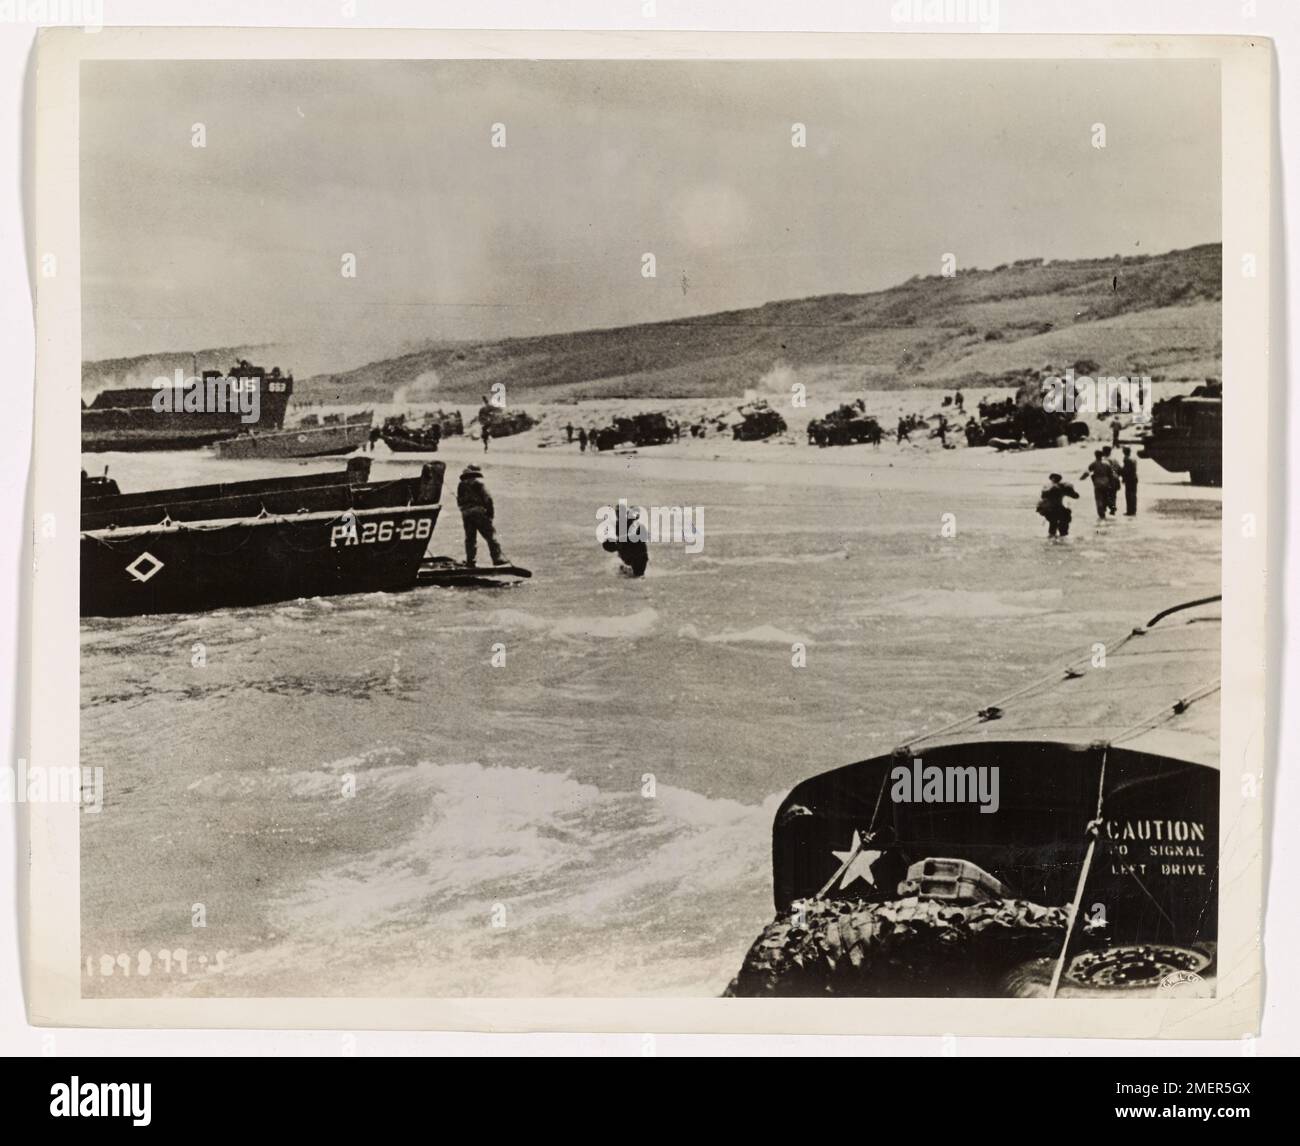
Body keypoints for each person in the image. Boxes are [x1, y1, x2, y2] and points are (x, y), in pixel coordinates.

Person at [456, 465, 507, 566]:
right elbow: (488, 499)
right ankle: (497, 559)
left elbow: (459, 501)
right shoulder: (479, 484)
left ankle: (470, 561)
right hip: (479, 512)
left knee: (470, 538)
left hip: (466, 513)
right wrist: (490, 513)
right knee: (490, 535)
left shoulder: (461, 485)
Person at [1037, 473, 1080, 537]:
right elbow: (1075, 496)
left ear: (1051, 479)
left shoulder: (1047, 486)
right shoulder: (1063, 487)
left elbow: (1043, 496)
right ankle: (1061, 536)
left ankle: (1053, 537)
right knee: (1063, 523)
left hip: (1048, 509)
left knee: (1053, 524)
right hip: (1054, 508)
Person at [1082, 450, 1115, 521]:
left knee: (1098, 499)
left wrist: (1081, 478)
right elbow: (1111, 475)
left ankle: (1101, 515)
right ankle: (1108, 508)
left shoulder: (1093, 464)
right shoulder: (1107, 463)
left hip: (1098, 483)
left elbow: (1087, 472)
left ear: (1095, 455)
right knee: (1105, 497)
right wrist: (1111, 484)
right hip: (1106, 482)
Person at [1102, 445, 1123, 515]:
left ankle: (1104, 508)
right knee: (1113, 495)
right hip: (1115, 479)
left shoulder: (1103, 460)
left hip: (1106, 480)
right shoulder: (1115, 460)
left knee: (1104, 494)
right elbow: (1120, 469)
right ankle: (1113, 508)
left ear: (1103, 451)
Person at [1121, 446, 1139, 516]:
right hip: (1134, 478)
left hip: (1129, 479)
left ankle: (1129, 511)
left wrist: (1123, 478)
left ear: (1124, 452)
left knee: (1128, 495)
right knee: (1133, 495)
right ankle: (1133, 510)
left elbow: (1126, 470)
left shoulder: (1126, 459)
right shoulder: (1133, 458)